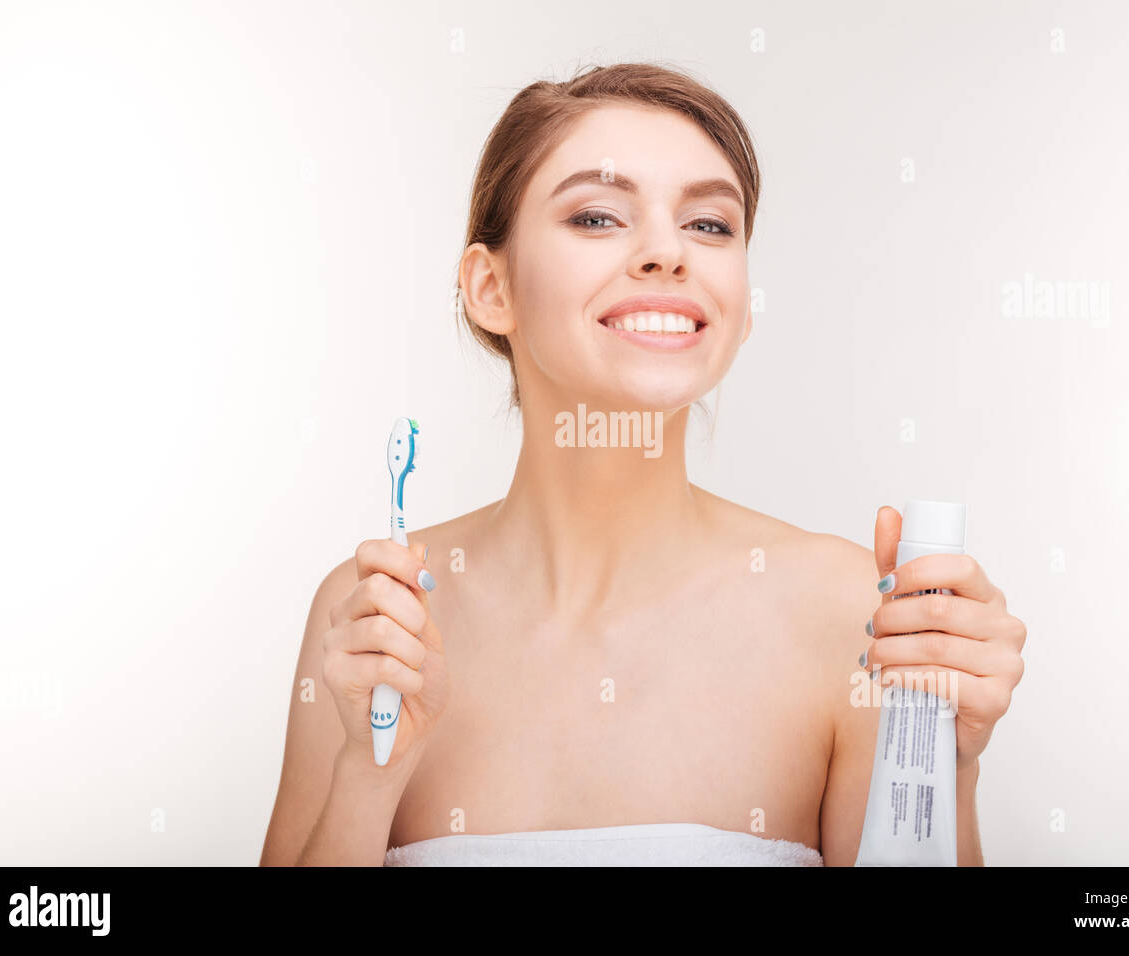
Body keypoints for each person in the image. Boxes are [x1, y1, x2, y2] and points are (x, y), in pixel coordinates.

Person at [260, 61, 1026, 867]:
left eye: (709, 226)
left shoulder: (857, 623)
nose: (668, 252)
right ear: (490, 287)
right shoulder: (373, 618)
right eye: (596, 217)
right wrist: (369, 772)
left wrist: (947, 773)